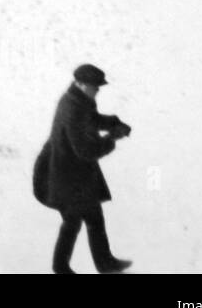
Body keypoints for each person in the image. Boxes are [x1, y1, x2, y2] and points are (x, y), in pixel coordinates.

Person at [32, 64, 132, 275]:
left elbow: (91, 120)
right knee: (73, 221)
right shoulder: (72, 108)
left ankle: (104, 264)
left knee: (92, 217)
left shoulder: (80, 101)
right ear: (82, 84)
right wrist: (112, 138)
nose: (98, 90)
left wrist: (112, 122)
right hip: (65, 177)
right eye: (95, 87)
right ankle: (61, 268)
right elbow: (85, 150)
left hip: (75, 176)